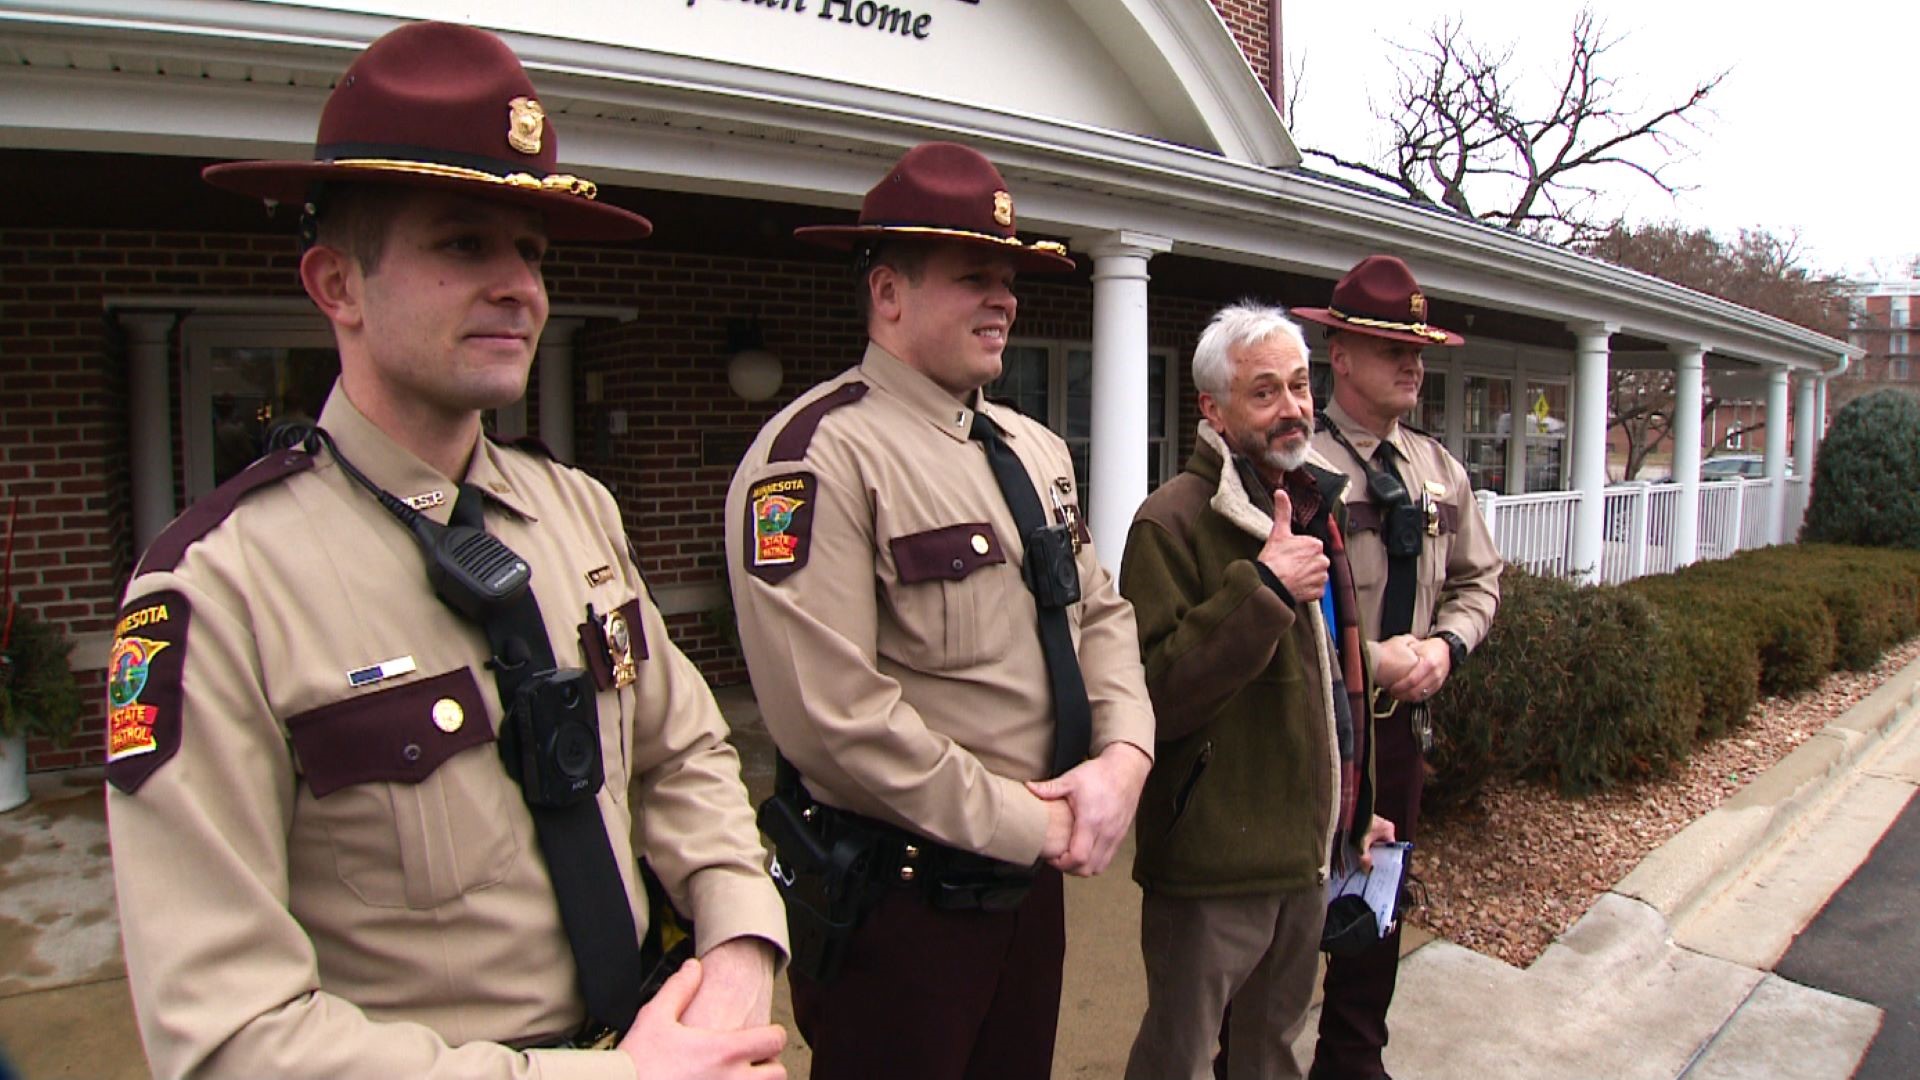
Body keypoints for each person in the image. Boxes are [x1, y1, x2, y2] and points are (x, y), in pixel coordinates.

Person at [105, 22, 789, 1079]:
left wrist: (741, 941)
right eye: (466, 243)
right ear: (337, 285)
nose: (521, 284)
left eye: (533, 251)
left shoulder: (576, 512)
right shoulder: (215, 589)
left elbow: (681, 753)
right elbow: (230, 1038)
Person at [723, 141, 1156, 1079]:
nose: (1004, 299)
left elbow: (1100, 612)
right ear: (889, 294)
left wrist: (1124, 757)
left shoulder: (1036, 450)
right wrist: (1027, 823)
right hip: (900, 908)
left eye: (1009, 279)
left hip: (1029, 886)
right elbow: (835, 721)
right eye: (974, 277)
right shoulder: (816, 457)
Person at [1120, 302, 1394, 1080]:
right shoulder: (1170, 522)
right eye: (1265, 392)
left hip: (1304, 858)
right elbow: (1157, 696)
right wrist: (1265, 589)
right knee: (1178, 1056)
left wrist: (1353, 803)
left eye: (1301, 387)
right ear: (1212, 408)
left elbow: (1332, 685)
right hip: (1211, 865)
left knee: (1271, 1055)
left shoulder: (1317, 506)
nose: (1293, 409)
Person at [1298, 255, 1503, 1080]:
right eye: (1391, 347)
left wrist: (1447, 647)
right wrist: (1365, 661)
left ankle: (1353, 1061)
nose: (1412, 364)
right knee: (1283, 914)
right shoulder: (1295, 467)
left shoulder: (1437, 469)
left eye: (1417, 349)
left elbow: (1479, 579)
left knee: (1377, 907)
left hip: (1398, 737)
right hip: (1311, 732)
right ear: (1340, 353)